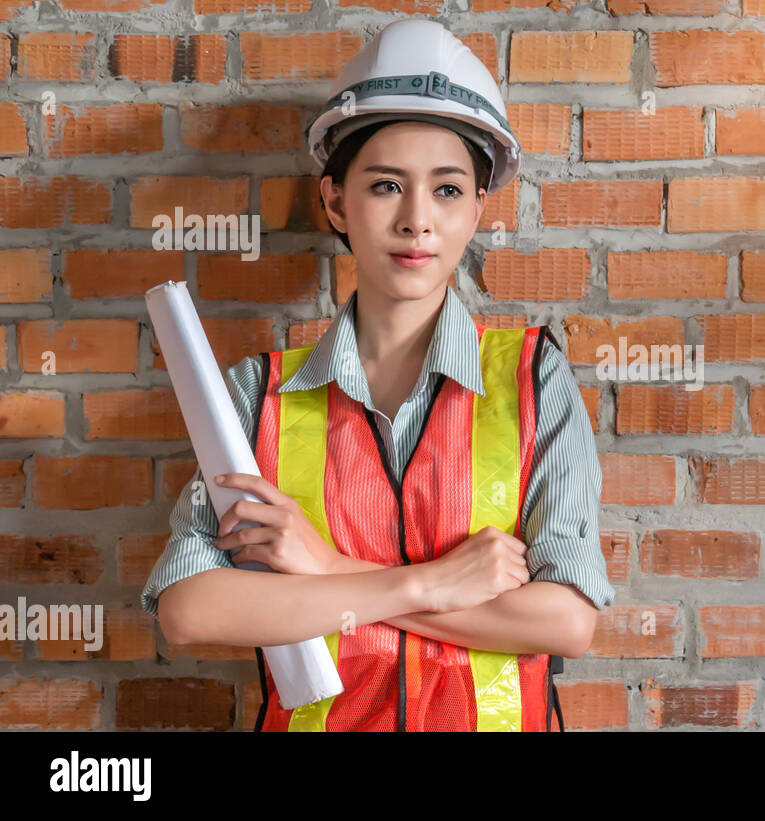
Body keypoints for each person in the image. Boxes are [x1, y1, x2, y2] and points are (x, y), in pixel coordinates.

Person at [140, 18, 614, 732]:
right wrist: (426, 583)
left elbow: (566, 619)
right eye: (387, 185)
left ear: (479, 207)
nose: (417, 220)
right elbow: (190, 607)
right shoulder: (256, 395)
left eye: (448, 190)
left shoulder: (533, 380)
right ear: (336, 201)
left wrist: (325, 569)